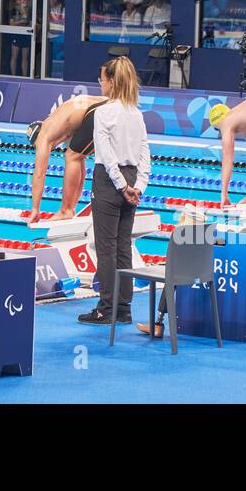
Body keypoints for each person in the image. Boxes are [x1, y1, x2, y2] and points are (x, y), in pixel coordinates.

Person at [79, 56, 151, 325]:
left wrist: (121, 186)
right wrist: (137, 187)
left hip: (110, 183)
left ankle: (105, 308)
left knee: (106, 248)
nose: (100, 84)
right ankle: (123, 308)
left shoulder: (104, 112)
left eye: (102, 79)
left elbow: (106, 155)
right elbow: (145, 153)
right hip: (132, 180)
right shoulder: (136, 113)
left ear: (111, 81)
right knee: (123, 246)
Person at [25, 93, 109, 221]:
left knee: (71, 157)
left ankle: (66, 210)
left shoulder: (43, 136)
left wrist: (35, 209)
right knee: (78, 157)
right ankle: (70, 208)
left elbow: (39, 174)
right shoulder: (58, 122)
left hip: (98, 110)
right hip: (111, 104)